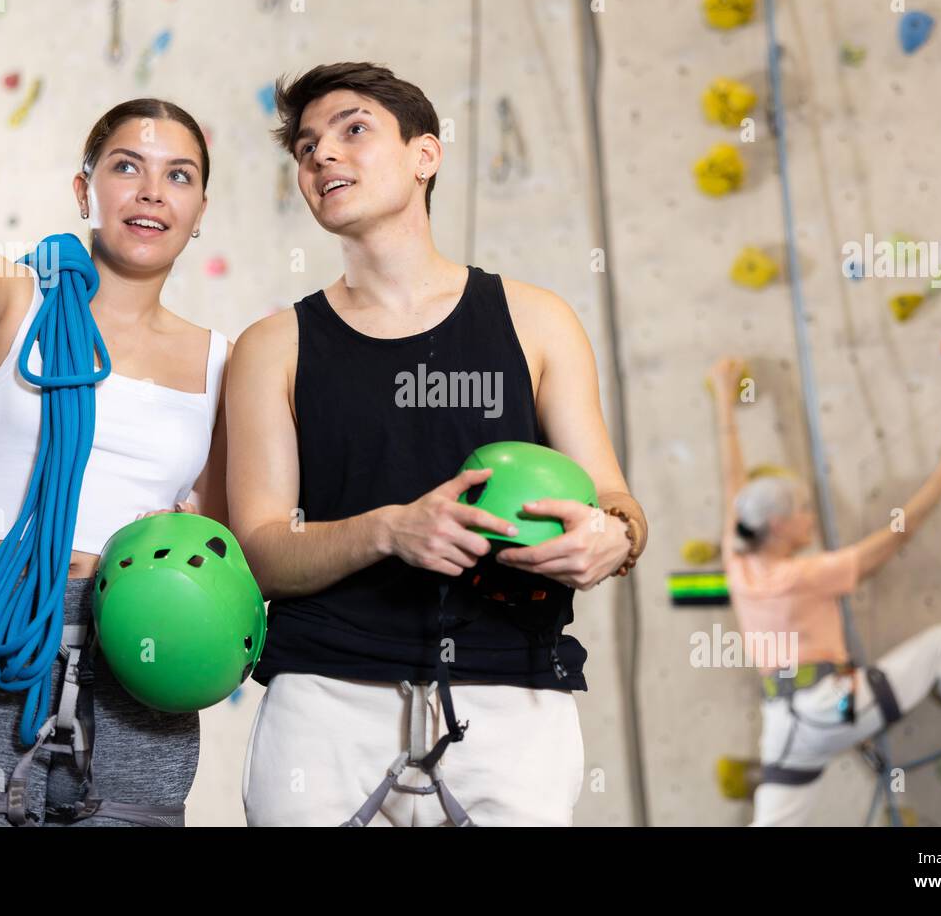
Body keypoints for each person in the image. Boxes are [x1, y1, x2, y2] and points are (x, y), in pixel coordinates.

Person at [227, 62, 648, 826]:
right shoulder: (272, 347)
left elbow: (614, 500)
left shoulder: (538, 320)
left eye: (353, 130)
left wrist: (611, 539)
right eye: (307, 147)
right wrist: (390, 529)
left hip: (514, 697)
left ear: (427, 154)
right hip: (325, 701)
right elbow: (259, 550)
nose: (322, 155)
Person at [0, 0, 230, 826]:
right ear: (85, 188)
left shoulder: (225, 361)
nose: (152, 191)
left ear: (200, 212)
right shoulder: (14, 299)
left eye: (178, 175)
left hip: (136, 661)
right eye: (126, 166)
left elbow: (219, 540)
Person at [707, 356, 941, 826]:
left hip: (786, 725)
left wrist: (725, 399)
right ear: (779, 525)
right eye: (804, 510)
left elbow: (734, 486)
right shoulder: (801, 575)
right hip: (828, 707)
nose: (811, 517)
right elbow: (898, 534)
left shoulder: (739, 561)